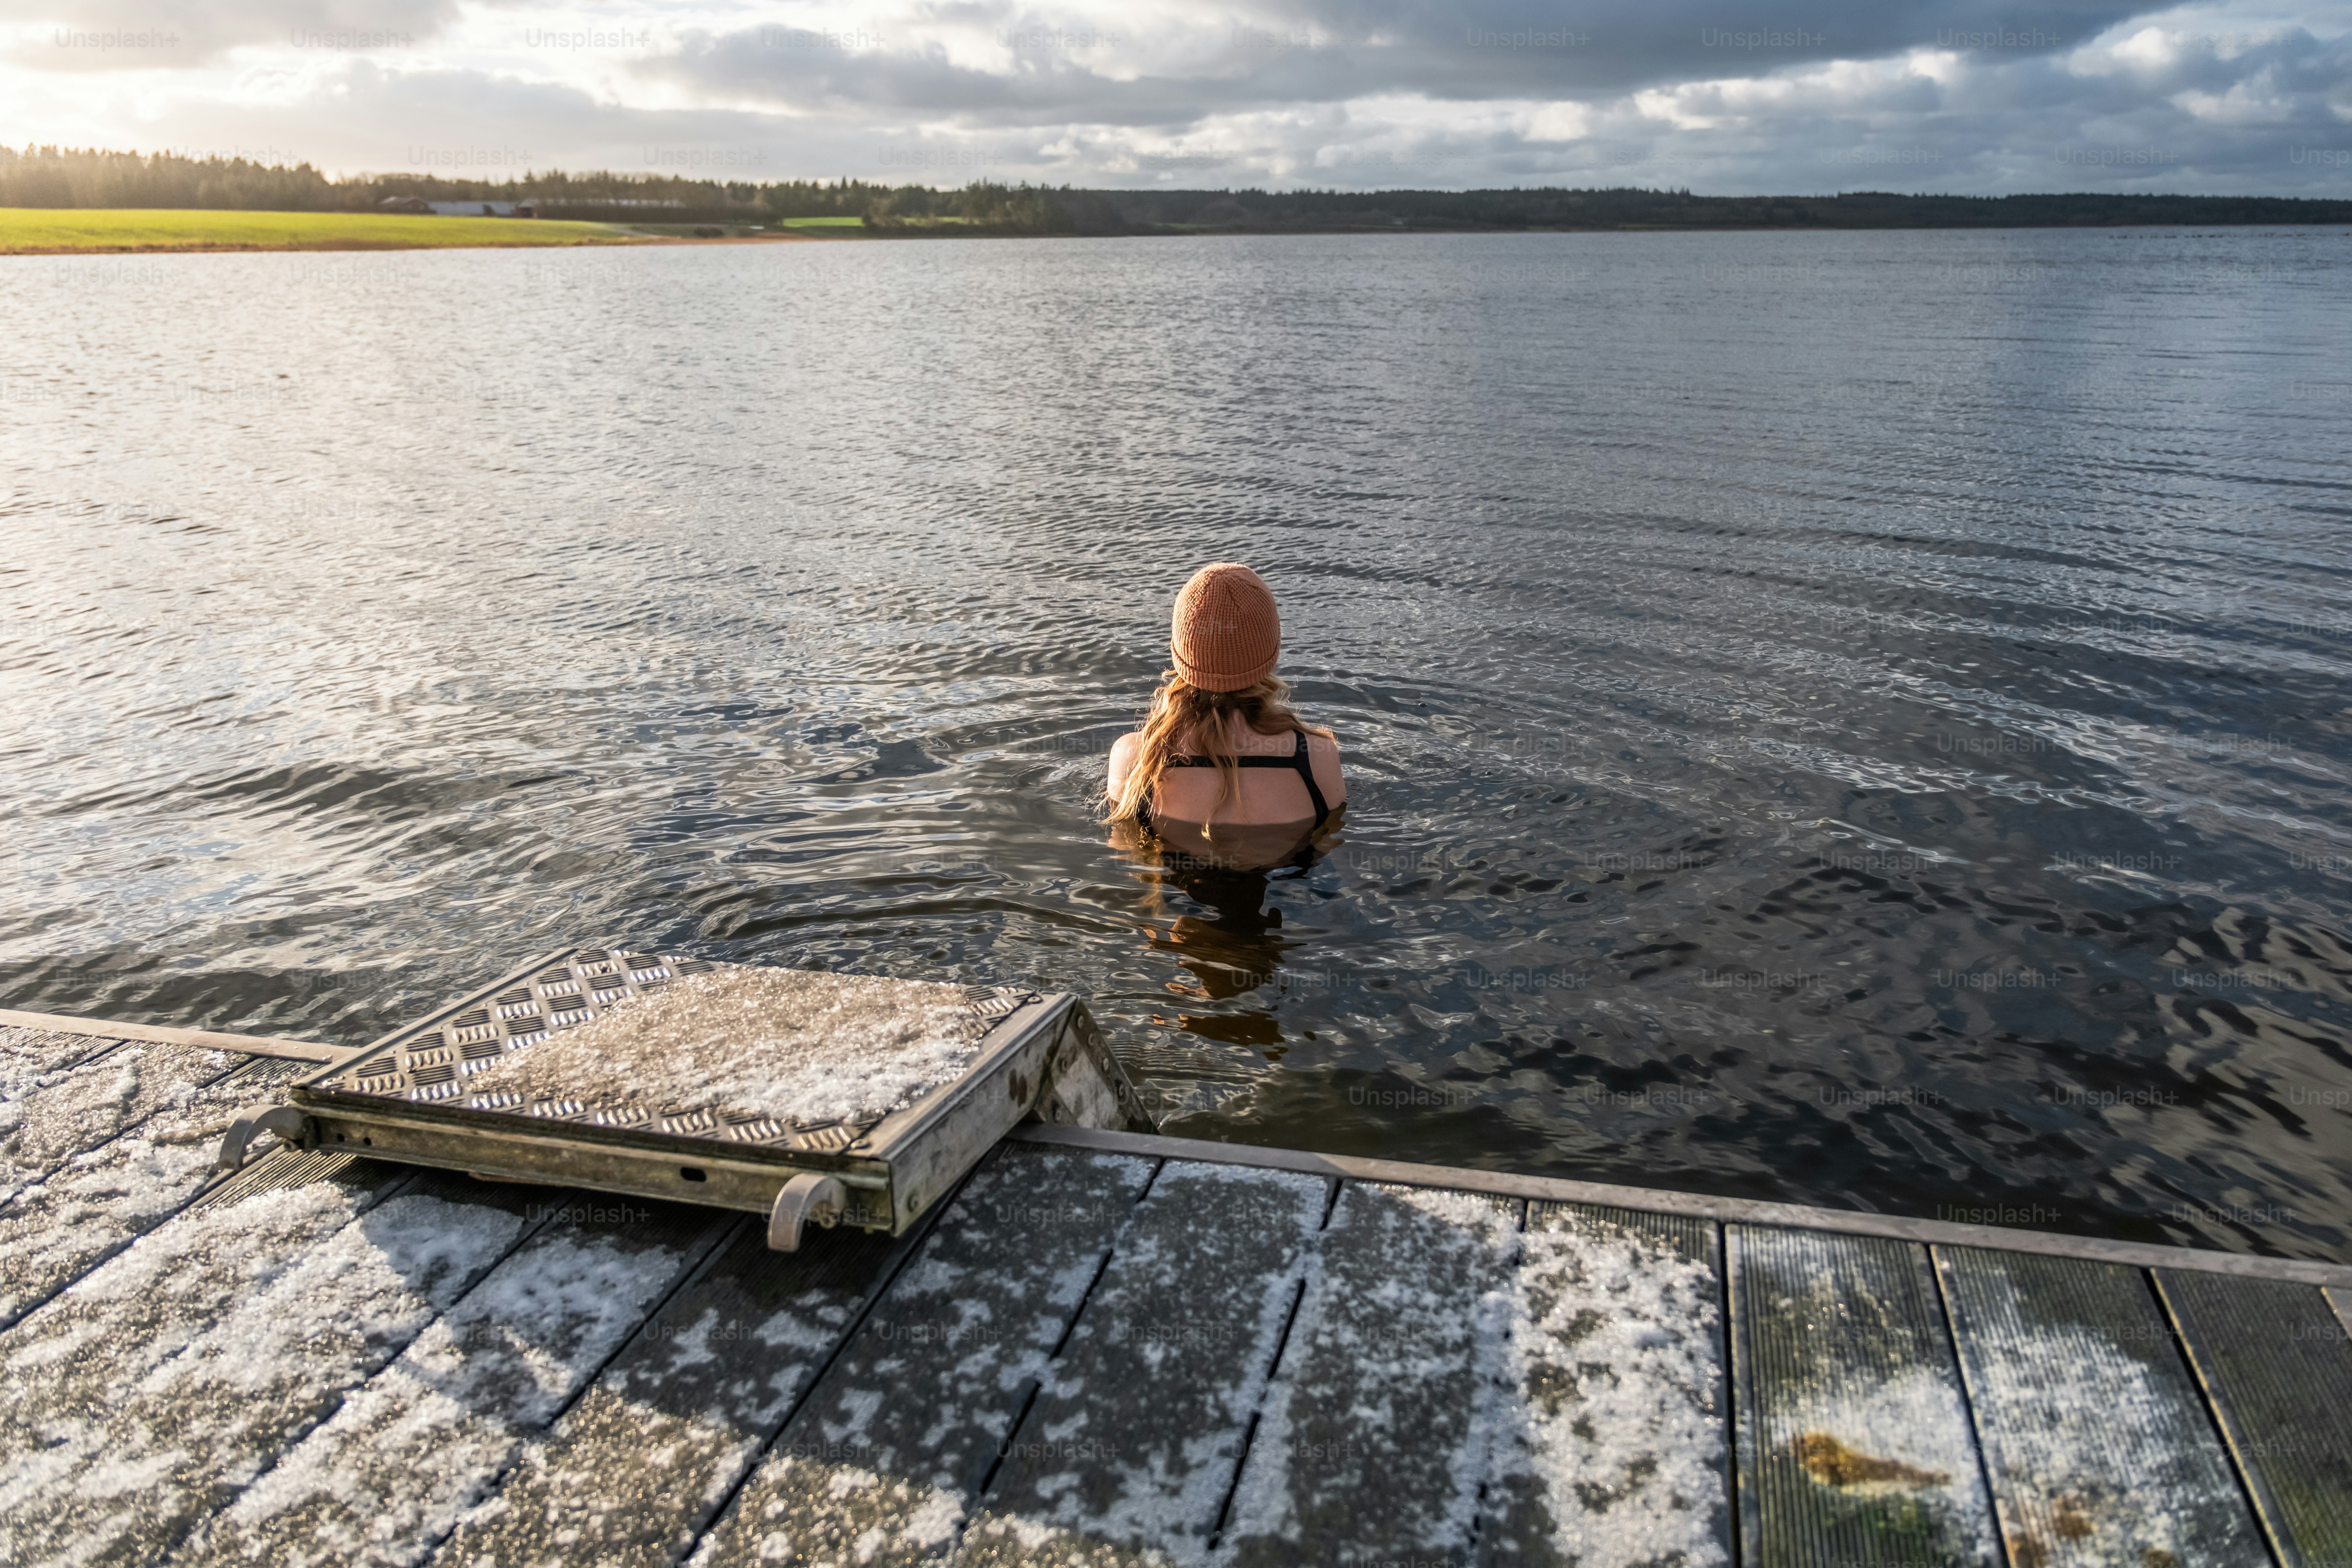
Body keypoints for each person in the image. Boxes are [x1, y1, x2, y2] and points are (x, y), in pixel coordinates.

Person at [1106, 564, 1345, 868]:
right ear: (1271, 651)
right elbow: (1330, 853)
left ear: (1180, 652)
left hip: (1178, 901)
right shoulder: (1317, 757)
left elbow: (1124, 856)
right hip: (1286, 897)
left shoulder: (1134, 757)